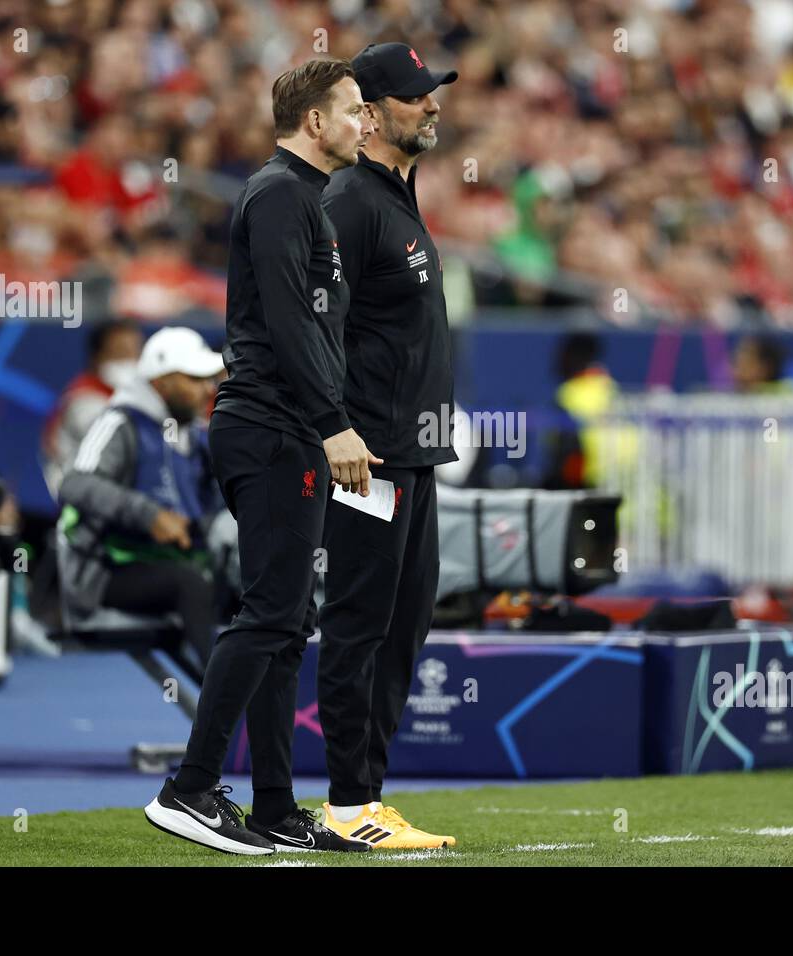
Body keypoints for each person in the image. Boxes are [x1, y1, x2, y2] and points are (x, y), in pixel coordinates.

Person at [143, 58, 376, 856]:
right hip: (273, 428)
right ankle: (189, 785)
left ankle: (275, 807)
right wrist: (334, 422)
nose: (364, 123)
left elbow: (315, 328)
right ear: (313, 121)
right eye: (351, 111)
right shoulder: (280, 194)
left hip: (288, 429)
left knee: (287, 619)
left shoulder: (302, 199)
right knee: (271, 612)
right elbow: (285, 320)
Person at [315, 42, 459, 849]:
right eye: (415, 96)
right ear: (369, 115)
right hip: (365, 456)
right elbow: (313, 326)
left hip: (414, 455)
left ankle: (365, 794)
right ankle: (345, 806)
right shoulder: (351, 203)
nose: (432, 105)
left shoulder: (398, 195)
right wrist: (336, 428)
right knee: (360, 622)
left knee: (403, 625)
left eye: (432, 92)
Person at [57, 327, 225, 666]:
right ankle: (226, 702)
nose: (208, 389)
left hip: (170, 561)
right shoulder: (119, 422)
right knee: (189, 584)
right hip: (105, 571)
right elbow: (73, 484)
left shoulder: (193, 433)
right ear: (162, 383)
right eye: (195, 379)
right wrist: (148, 515)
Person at [42, 318, 143, 489]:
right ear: (97, 357)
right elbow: (119, 440)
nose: (130, 361)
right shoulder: (82, 398)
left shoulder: (128, 395)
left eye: (135, 353)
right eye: (120, 353)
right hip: (76, 495)